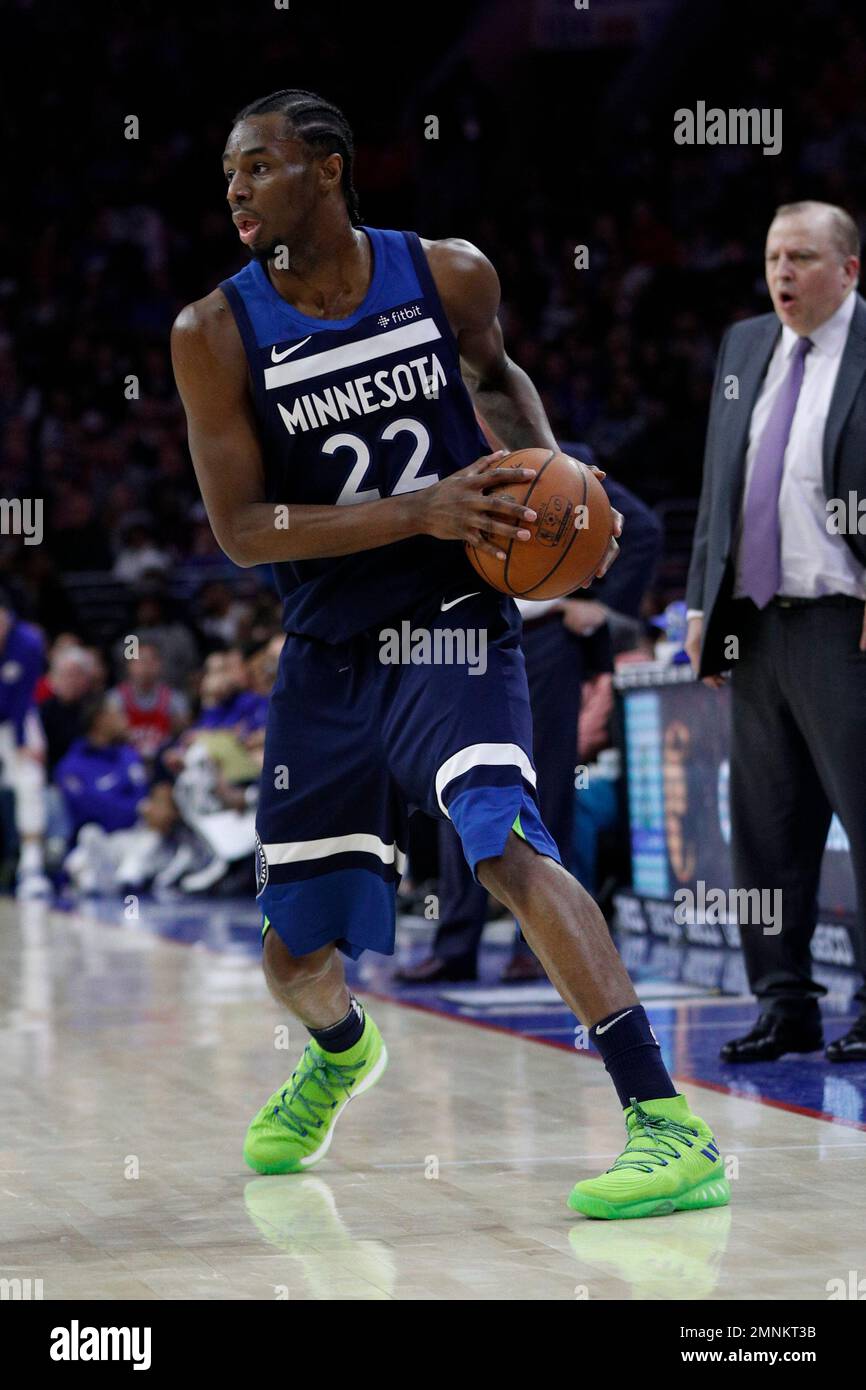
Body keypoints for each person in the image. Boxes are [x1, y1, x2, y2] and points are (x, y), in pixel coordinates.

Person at [171, 87, 728, 1219]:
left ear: (327, 168)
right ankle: (337, 1053)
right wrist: (419, 507)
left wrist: (549, 474)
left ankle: (664, 1123)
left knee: (502, 840)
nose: (235, 188)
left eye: (259, 165)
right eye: (228, 172)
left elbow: (495, 379)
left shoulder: (444, 273)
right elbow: (240, 531)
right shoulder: (211, 333)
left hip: (452, 619)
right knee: (292, 952)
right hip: (326, 645)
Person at [686, 200, 866, 1064]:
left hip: (847, 624)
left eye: (801, 258)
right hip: (753, 626)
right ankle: (784, 1003)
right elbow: (719, 485)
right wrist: (698, 606)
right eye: (772, 258)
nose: (783, 275)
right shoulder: (745, 346)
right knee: (764, 828)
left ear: (849, 269)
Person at [0, 596, 51, 897]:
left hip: (19, 717)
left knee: (30, 779)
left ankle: (32, 866)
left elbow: (23, 698)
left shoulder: (29, 641)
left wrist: (21, 742)